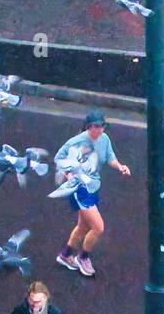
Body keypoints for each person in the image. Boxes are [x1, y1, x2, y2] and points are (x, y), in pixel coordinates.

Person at [54, 110, 131, 278]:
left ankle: (66, 255)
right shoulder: (77, 142)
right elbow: (59, 158)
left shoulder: (104, 139)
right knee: (98, 227)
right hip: (80, 189)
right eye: (97, 126)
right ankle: (83, 258)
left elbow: (110, 157)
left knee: (83, 226)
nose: (100, 130)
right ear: (89, 126)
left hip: (92, 187)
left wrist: (120, 166)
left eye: (102, 126)